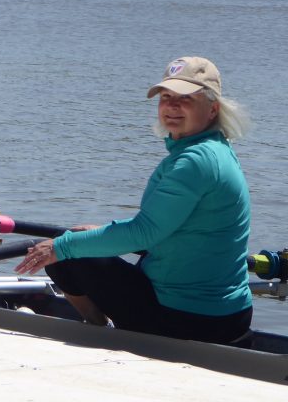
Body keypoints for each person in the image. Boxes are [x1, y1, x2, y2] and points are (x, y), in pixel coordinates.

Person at [15, 56, 253, 345]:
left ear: (213, 108)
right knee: (79, 239)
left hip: (189, 320)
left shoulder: (195, 161)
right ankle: (104, 325)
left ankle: (98, 330)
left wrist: (62, 246)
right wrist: (89, 236)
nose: (172, 106)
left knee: (64, 255)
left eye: (186, 99)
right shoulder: (217, 150)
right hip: (226, 315)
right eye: (166, 97)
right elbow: (164, 232)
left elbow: (144, 232)